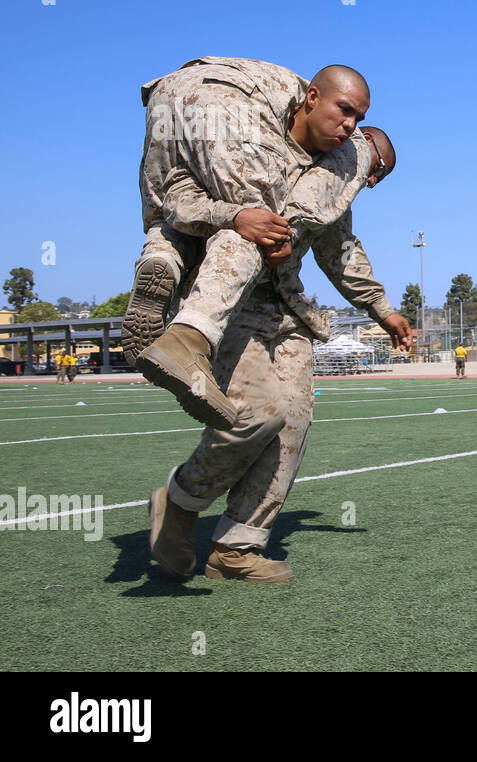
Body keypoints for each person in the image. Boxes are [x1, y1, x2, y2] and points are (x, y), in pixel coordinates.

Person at [146, 134, 410, 583]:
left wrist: (382, 310)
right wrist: (254, 229)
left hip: (286, 308)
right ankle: (180, 499)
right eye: (375, 169)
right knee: (257, 415)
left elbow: (341, 253)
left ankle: (237, 546)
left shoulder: (331, 190)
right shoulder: (260, 152)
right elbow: (185, 205)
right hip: (231, 300)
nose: (369, 180)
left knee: (294, 420)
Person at [124, 58, 374, 429]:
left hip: (167, 94)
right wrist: (281, 243)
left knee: (171, 206)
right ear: (313, 97)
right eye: (345, 111)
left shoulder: (290, 100)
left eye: (359, 118)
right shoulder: (353, 149)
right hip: (227, 101)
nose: (351, 124)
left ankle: (161, 260)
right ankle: (190, 336)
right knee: (258, 226)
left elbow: (177, 202)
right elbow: (288, 232)